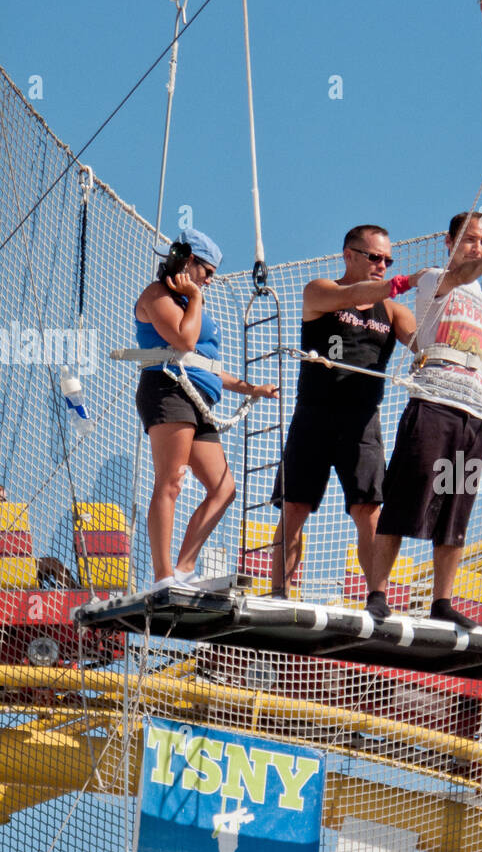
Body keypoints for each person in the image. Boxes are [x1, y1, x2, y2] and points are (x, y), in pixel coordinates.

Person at [369, 212, 482, 628]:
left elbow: (477, 294)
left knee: (457, 510)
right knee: (405, 496)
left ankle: (442, 601)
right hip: (433, 402)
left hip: (473, 414)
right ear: (449, 241)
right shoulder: (436, 278)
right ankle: (378, 593)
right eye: (469, 240)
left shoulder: (477, 295)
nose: (477, 248)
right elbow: (459, 278)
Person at [271, 225, 417, 595]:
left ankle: (377, 597)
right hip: (314, 417)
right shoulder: (321, 291)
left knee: (369, 512)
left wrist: (477, 299)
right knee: (294, 508)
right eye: (375, 257)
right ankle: (279, 593)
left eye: (388, 260)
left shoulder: (394, 311)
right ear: (349, 255)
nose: (382, 265)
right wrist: (402, 282)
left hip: (362, 421)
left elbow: (425, 342)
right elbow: (351, 295)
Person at [135, 229, 278, 590]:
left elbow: (204, 362)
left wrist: (250, 388)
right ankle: (163, 576)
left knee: (223, 487)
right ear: (186, 261)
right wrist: (195, 296)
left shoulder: (188, 303)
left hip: (198, 397)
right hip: (168, 389)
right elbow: (183, 340)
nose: (210, 279)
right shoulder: (158, 296)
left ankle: (184, 569)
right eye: (207, 271)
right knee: (171, 481)